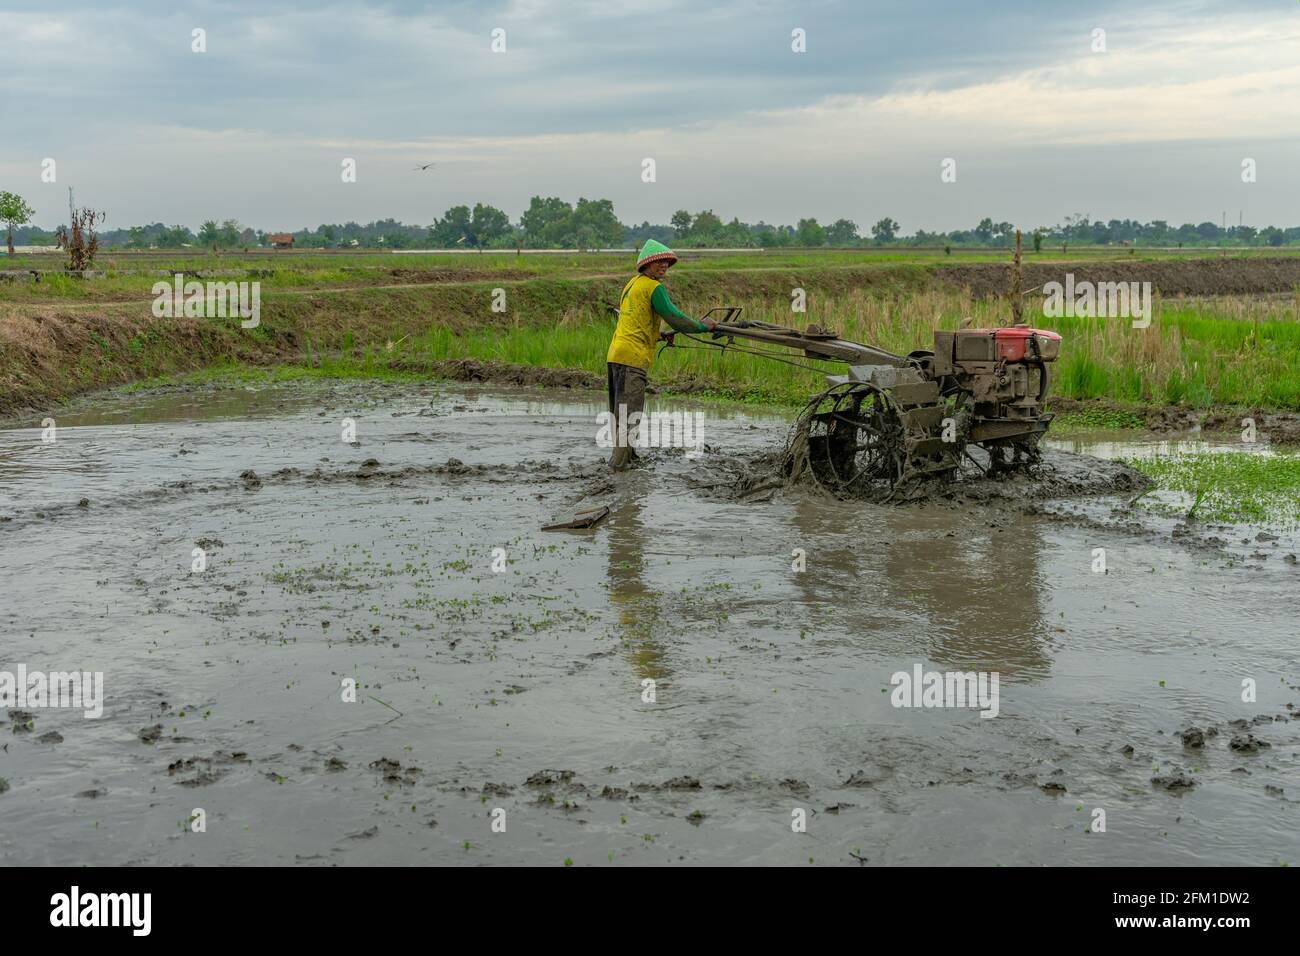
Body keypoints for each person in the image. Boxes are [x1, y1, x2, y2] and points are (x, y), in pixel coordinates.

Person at [606, 240, 716, 470]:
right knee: (629, 419)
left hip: (616, 355)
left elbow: (634, 321)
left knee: (620, 416)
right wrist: (702, 326)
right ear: (647, 264)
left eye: (667, 262)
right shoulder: (654, 288)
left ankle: (628, 460)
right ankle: (617, 472)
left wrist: (659, 335)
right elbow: (674, 316)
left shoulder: (632, 285)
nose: (664, 265)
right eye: (659, 261)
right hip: (632, 360)